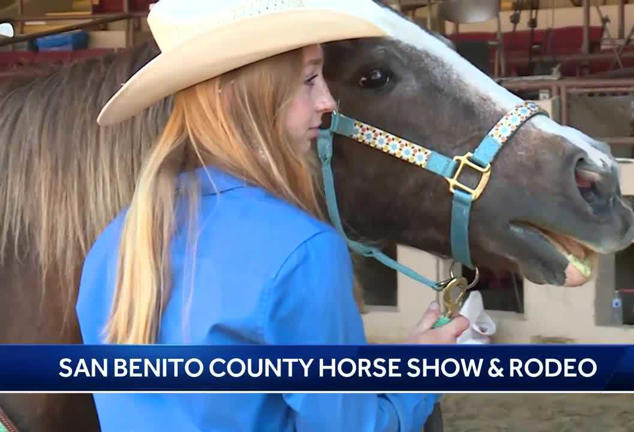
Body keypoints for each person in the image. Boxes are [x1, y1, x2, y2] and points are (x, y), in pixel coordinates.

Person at [76, 0, 469, 430]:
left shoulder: (114, 243)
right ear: (241, 98)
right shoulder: (302, 251)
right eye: (308, 80)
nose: (327, 102)